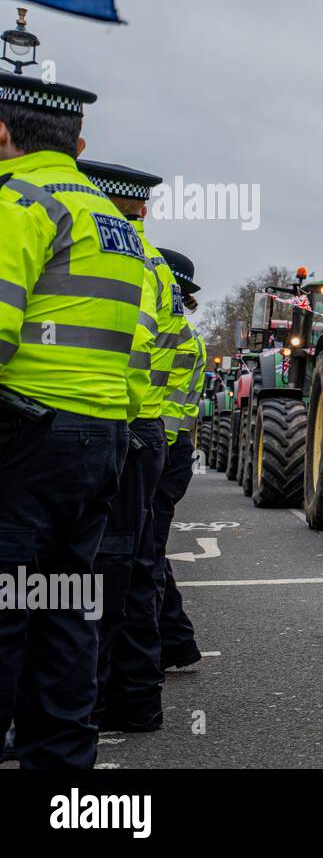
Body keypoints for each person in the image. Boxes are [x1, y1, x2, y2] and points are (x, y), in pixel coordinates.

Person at [0, 71, 147, 768]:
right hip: (99, 437)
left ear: (2, 135)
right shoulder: (112, 219)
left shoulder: (19, 200)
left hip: (25, 435)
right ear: (74, 140)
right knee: (65, 612)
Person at [77, 160, 172, 730]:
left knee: (105, 572)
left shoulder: (110, 254)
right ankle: (133, 699)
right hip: (142, 425)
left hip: (120, 422)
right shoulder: (150, 260)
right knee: (134, 568)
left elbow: (128, 348)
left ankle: (94, 701)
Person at [154, 248, 203, 675]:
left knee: (144, 553)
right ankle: (175, 641)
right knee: (147, 552)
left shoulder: (173, 336)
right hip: (171, 449)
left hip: (161, 449)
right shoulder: (184, 333)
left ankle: (169, 641)